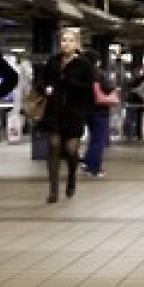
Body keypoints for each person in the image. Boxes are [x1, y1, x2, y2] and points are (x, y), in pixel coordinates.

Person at [32, 28, 95, 203]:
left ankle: (72, 176)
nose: (66, 44)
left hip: (74, 113)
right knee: (53, 146)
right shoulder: (53, 62)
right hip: (54, 112)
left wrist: (67, 81)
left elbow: (88, 89)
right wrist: (45, 88)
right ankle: (53, 190)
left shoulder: (84, 65)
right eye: (63, 41)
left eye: (70, 40)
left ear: (77, 44)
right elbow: (40, 81)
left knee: (71, 150)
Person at [81, 56, 114, 178]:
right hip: (100, 110)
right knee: (98, 140)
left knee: (93, 139)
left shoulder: (82, 75)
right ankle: (94, 168)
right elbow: (110, 87)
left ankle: (87, 161)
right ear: (97, 61)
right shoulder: (99, 74)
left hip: (85, 110)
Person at [122, 65, 144, 142]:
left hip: (137, 102)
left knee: (138, 119)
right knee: (132, 119)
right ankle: (132, 135)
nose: (137, 73)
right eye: (136, 71)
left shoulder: (140, 80)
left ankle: (137, 135)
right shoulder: (133, 81)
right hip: (133, 102)